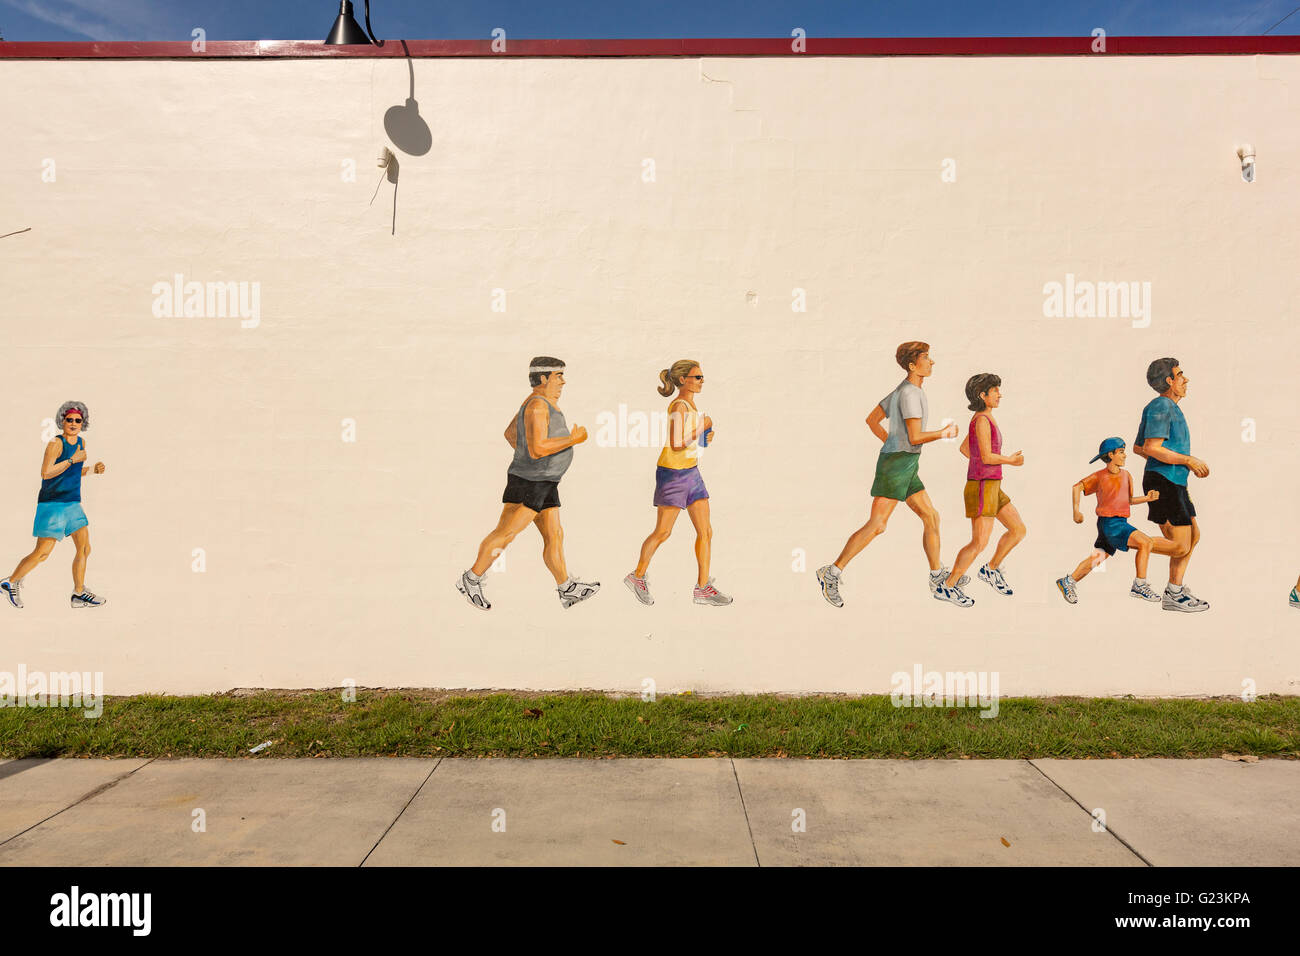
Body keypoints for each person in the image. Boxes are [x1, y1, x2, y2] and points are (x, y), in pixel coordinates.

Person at [817, 341, 968, 608]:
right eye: (926, 358)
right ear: (912, 365)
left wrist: (891, 442)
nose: (932, 362)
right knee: (878, 525)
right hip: (898, 464)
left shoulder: (904, 390)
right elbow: (915, 436)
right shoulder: (910, 394)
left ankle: (936, 576)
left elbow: (872, 419)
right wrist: (943, 433)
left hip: (905, 461)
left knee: (931, 516)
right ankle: (831, 572)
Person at [456, 357, 599, 610]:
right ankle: (471, 579)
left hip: (544, 481)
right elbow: (537, 448)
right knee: (507, 533)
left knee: (554, 535)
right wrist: (573, 439)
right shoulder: (537, 406)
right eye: (558, 376)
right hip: (531, 482)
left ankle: (566, 589)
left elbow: (511, 433)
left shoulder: (538, 404)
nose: (563, 382)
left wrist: (530, 457)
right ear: (543, 378)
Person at [624, 360, 732, 606]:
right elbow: (676, 442)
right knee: (663, 532)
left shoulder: (691, 405)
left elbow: (696, 443)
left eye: (702, 377)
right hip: (672, 474)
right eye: (697, 377)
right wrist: (702, 427)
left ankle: (703, 587)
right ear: (683, 380)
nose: (702, 380)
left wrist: (707, 437)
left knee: (706, 531)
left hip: (691, 472)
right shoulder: (678, 405)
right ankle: (637, 576)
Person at [1, 402, 107, 609]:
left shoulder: (82, 443)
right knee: (42, 553)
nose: (74, 423)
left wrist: (92, 469)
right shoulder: (55, 444)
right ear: (62, 421)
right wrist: (71, 460)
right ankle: (10, 582)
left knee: (84, 548)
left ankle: (78, 593)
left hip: (73, 503)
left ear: (83, 423)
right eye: (70, 420)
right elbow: (46, 472)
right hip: (53, 504)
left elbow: (73, 473)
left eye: (78, 420)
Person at [1055, 437, 1178, 605]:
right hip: (1111, 524)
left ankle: (1068, 581)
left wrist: (1147, 498)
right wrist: (1076, 511)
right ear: (1110, 455)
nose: (1125, 455)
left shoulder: (1127, 476)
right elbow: (1077, 487)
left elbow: (1129, 500)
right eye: (1121, 452)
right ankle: (1139, 585)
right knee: (1145, 543)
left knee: (1098, 557)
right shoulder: (1099, 476)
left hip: (1117, 522)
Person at [1132, 358, 1210, 612]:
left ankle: (1174, 592)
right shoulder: (1161, 405)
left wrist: (1174, 464)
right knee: (1179, 545)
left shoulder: (1165, 407)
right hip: (1163, 482)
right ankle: (1126, 539)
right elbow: (1152, 447)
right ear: (1169, 381)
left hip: (1172, 480)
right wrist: (1186, 460)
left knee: (1193, 536)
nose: (1185, 380)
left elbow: (1139, 447)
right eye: (1180, 375)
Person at [943, 373, 1026, 599]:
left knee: (1018, 530)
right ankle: (948, 586)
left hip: (992, 485)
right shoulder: (981, 420)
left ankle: (990, 569)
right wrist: (1010, 460)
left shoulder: (985, 418)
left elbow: (966, 449)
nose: (1000, 394)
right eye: (995, 390)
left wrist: (980, 461)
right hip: (982, 486)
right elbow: (988, 457)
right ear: (983, 395)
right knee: (979, 542)